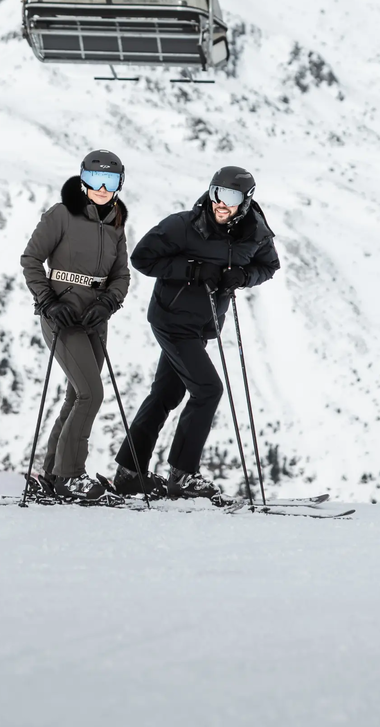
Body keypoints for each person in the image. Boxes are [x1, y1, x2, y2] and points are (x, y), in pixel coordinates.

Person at [112, 165, 279, 499]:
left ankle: (129, 473)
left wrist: (244, 278)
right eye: (217, 192)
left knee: (164, 396)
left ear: (246, 201)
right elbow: (142, 258)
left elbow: (268, 266)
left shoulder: (255, 233)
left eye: (230, 196)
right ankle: (183, 475)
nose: (221, 202)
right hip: (171, 320)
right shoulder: (184, 225)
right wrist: (190, 270)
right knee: (208, 389)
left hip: (204, 326)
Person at [20, 149, 130, 501]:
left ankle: (53, 474)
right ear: (82, 179)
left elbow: (121, 274)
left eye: (110, 180)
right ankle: (70, 476)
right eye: (95, 179)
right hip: (62, 316)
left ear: (119, 183)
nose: (102, 186)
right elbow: (31, 259)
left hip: (94, 317)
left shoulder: (116, 222)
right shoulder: (62, 214)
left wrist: (108, 303)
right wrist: (48, 302)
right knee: (90, 394)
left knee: (75, 395)